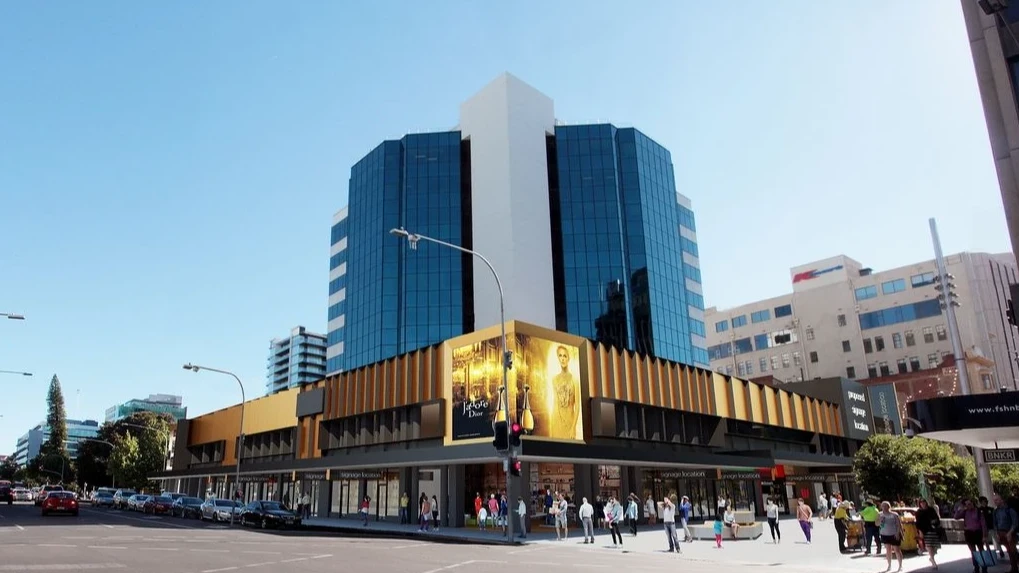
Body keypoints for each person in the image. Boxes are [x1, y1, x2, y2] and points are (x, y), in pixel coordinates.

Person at [956, 497, 989, 573]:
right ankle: (976, 567)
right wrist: (960, 509)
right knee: (973, 552)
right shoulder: (965, 512)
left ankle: (984, 567)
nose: (968, 505)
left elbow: (983, 524)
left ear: (973, 503)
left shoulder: (978, 512)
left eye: (969, 504)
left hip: (978, 532)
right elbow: (956, 517)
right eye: (966, 504)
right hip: (969, 533)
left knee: (981, 550)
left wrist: (984, 535)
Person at [993, 494, 1019, 573]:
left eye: (997, 500)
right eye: (994, 500)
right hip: (1001, 532)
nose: (995, 502)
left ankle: (1015, 567)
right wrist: (997, 533)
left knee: (1013, 551)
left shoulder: (1009, 510)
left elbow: (1015, 522)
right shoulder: (996, 511)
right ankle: (1014, 568)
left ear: (1001, 500)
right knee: (1009, 551)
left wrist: (1010, 532)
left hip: (1009, 532)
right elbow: (995, 523)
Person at [877, 501, 904, 573]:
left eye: (886, 506)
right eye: (882, 506)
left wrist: (898, 533)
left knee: (897, 550)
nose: (884, 508)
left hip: (894, 534)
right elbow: (876, 524)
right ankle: (889, 565)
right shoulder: (880, 514)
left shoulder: (894, 514)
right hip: (884, 534)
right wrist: (880, 521)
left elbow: (899, 524)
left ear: (889, 507)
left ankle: (900, 565)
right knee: (888, 550)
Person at [915, 499, 941, 570]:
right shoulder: (919, 512)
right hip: (925, 531)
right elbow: (918, 523)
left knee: (935, 547)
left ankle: (931, 557)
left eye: (924, 502)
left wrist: (935, 523)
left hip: (933, 529)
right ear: (920, 504)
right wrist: (920, 532)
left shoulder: (931, 510)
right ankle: (933, 561)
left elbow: (937, 518)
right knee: (929, 545)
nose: (923, 504)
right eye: (921, 502)